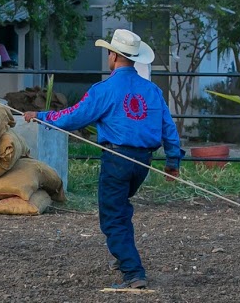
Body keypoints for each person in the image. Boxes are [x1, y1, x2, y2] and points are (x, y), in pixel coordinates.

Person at [23, 29, 183, 289]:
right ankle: (125, 258)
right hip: (143, 162)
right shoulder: (152, 90)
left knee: (113, 216)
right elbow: (169, 127)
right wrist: (172, 162)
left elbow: (74, 116)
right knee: (120, 209)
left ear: (114, 55)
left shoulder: (104, 90)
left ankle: (133, 272)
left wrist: (41, 116)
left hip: (117, 159)